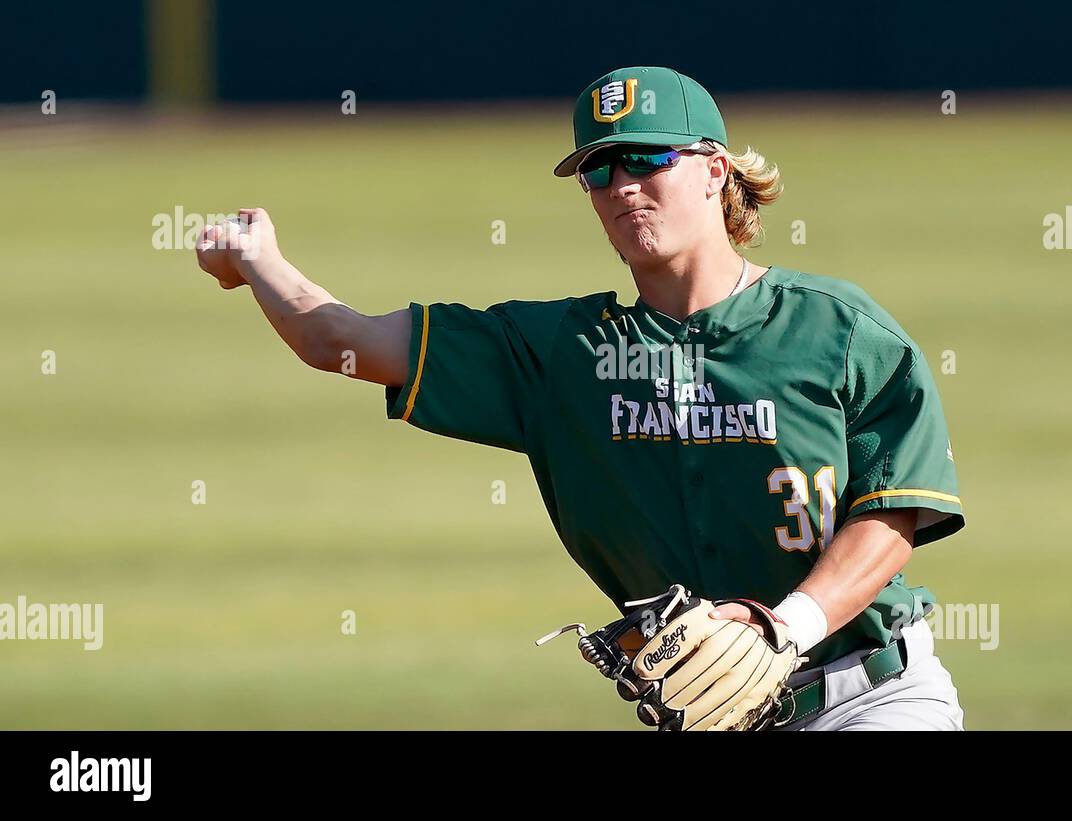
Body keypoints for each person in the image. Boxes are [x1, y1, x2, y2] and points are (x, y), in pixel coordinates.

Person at [195, 66, 966, 731]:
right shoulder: (561, 354)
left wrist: (786, 628)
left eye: (647, 156)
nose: (624, 184)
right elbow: (341, 342)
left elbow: (895, 508)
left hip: (871, 698)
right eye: (599, 170)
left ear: (714, 170)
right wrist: (257, 262)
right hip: (711, 714)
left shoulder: (836, 329)